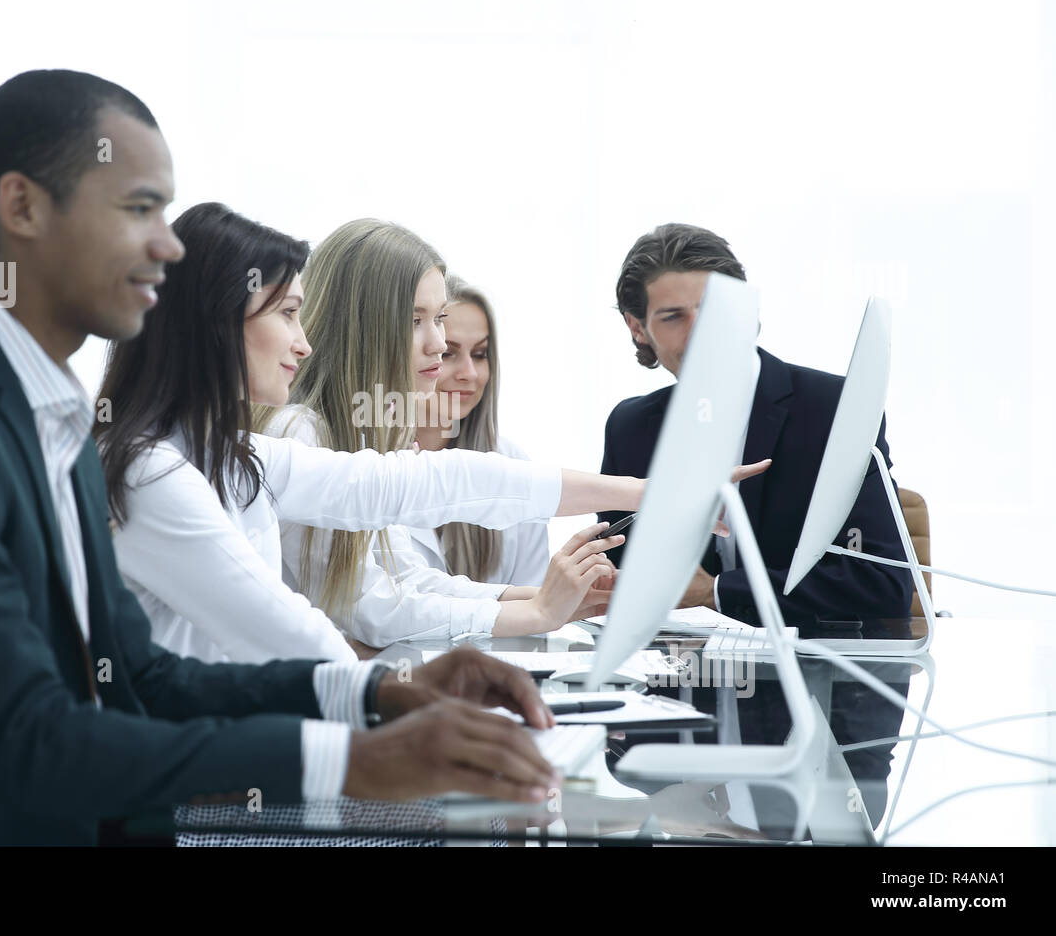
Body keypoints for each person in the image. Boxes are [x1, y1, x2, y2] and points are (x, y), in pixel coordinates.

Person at [0, 70, 564, 846]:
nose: (168, 247)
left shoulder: (50, 408)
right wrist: (351, 760)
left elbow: (138, 672)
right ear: (22, 207)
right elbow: (28, 738)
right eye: (140, 209)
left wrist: (377, 694)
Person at [97, 203, 640, 666]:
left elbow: (423, 485)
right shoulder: (158, 471)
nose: (302, 343)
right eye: (287, 314)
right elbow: (291, 627)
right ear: (215, 325)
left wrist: (636, 495)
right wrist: (533, 613)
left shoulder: (243, 455)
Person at [265, 219, 769, 647]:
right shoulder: (299, 432)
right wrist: (537, 611)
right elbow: (373, 606)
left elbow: (414, 578)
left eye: (438, 318)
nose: (438, 345)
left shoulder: (370, 436)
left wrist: (554, 600)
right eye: (417, 320)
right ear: (362, 325)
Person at [599, 222, 913, 632]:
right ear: (638, 328)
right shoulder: (631, 427)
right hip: (676, 672)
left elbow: (884, 585)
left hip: (817, 673)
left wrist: (714, 592)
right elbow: (621, 574)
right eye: (674, 317)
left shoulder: (834, 409)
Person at [411, 274, 550, 586]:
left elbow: (536, 606)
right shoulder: (360, 460)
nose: (469, 374)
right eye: (448, 354)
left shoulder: (513, 463)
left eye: (479, 354)